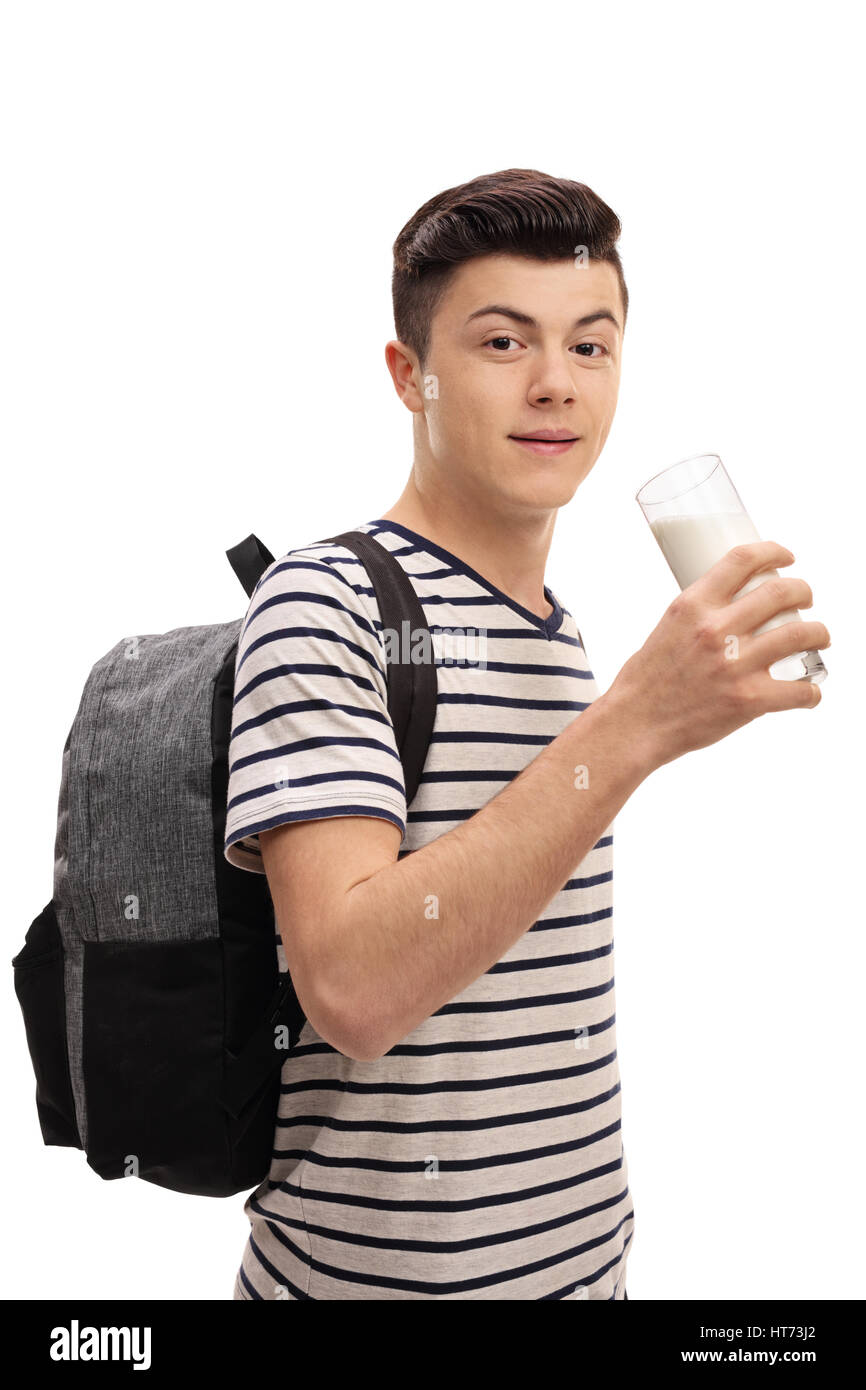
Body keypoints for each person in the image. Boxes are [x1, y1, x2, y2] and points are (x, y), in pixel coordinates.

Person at [223, 167, 828, 1300]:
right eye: (502, 343)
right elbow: (351, 990)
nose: (555, 384)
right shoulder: (327, 601)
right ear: (413, 377)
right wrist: (635, 723)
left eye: (589, 347)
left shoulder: (560, 635)